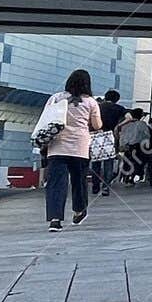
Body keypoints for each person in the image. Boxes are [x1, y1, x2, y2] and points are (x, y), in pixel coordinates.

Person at [44, 68, 101, 232]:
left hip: (57, 147)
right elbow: (98, 125)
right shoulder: (90, 102)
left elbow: (47, 118)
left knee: (56, 183)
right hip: (80, 148)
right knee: (79, 181)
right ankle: (79, 210)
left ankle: (55, 220)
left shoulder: (56, 98)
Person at [90, 89, 126, 196]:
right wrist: (118, 126)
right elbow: (129, 117)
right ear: (117, 100)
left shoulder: (98, 107)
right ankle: (105, 187)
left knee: (95, 162)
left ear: (106, 97)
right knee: (108, 163)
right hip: (110, 136)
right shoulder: (119, 108)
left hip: (96, 135)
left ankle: (95, 187)